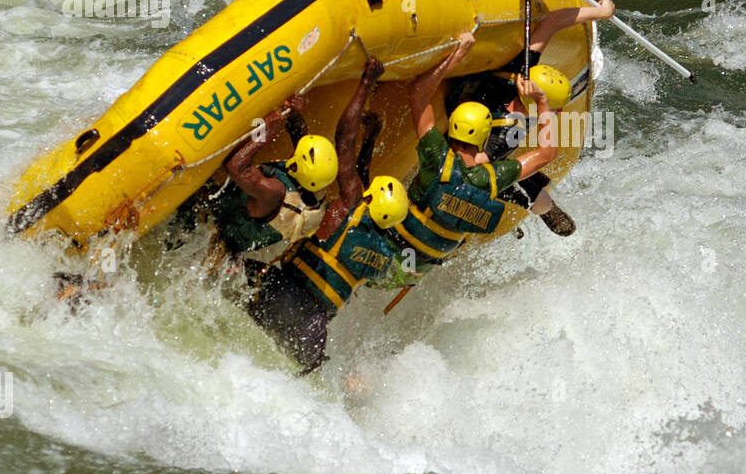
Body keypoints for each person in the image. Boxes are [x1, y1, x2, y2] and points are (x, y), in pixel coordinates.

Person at [242, 58, 411, 373]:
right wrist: (372, 140)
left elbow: (343, 140)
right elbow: (361, 193)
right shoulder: (384, 255)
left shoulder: (350, 206)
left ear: (368, 200)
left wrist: (367, 81)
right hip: (313, 333)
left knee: (234, 271)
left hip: (283, 293)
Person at [443, 0, 615, 235]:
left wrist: (600, 12)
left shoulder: (521, 72)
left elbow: (552, 22)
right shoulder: (511, 130)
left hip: (481, 148)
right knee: (524, 185)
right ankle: (539, 207)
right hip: (485, 153)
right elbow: (472, 168)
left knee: (520, 181)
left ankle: (539, 210)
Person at [392, 31, 557, 269]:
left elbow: (418, 92)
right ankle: (535, 198)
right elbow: (547, 154)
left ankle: (534, 197)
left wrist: (455, 57)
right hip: (427, 261)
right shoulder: (489, 177)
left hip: (394, 245)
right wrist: (542, 102)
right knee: (512, 186)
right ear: (483, 137)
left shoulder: (436, 156)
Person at [206, 94, 337, 262]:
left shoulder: (274, 192)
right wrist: (293, 110)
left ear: (296, 166)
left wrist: (267, 130)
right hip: (242, 225)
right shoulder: (314, 181)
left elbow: (235, 166)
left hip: (219, 237)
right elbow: (300, 134)